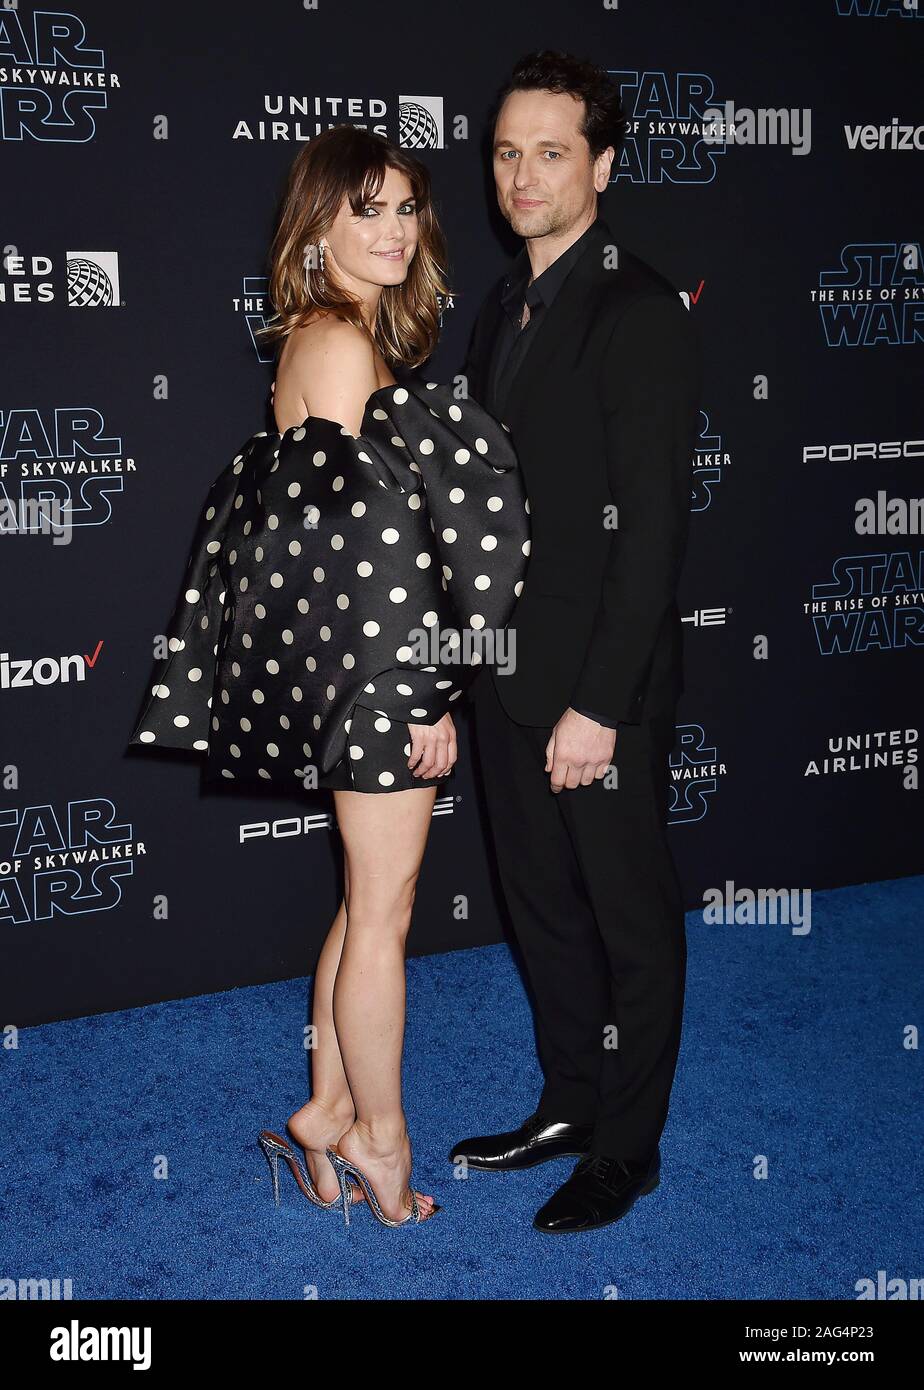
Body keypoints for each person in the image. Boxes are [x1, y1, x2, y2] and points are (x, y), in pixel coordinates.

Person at [127, 125, 529, 1228]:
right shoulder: (347, 351)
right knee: (386, 914)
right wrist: (431, 694)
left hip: (348, 673)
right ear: (319, 224)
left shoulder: (311, 340)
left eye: (407, 210)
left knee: (365, 905)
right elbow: (373, 555)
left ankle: (324, 1111)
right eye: (369, 210)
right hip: (380, 676)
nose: (396, 231)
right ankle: (380, 1146)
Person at [450, 51, 703, 1233]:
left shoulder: (637, 307)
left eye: (551, 151)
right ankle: (570, 1098)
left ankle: (629, 1147)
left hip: (596, 688)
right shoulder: (506, 304)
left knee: (630, 921)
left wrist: (598, 705)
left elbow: (649, 532)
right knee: (540, 906)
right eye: (507, 151)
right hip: (507, 673)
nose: (523, 174)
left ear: (601, 164)